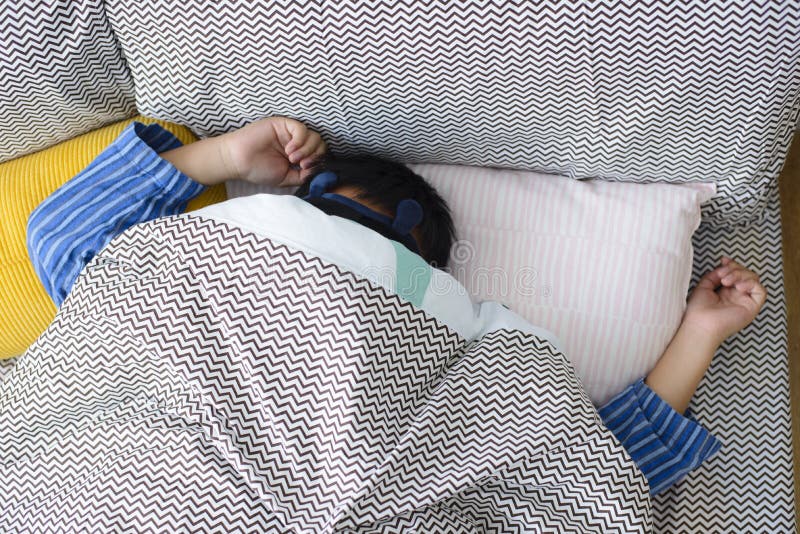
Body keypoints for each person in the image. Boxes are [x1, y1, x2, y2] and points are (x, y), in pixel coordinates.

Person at [27, 116, 767, 497]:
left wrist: (698, 332)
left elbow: (586, 469)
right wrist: (224, 159)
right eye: (327, 227)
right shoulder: (163, 292)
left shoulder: (444, 362)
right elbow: (64, 240)